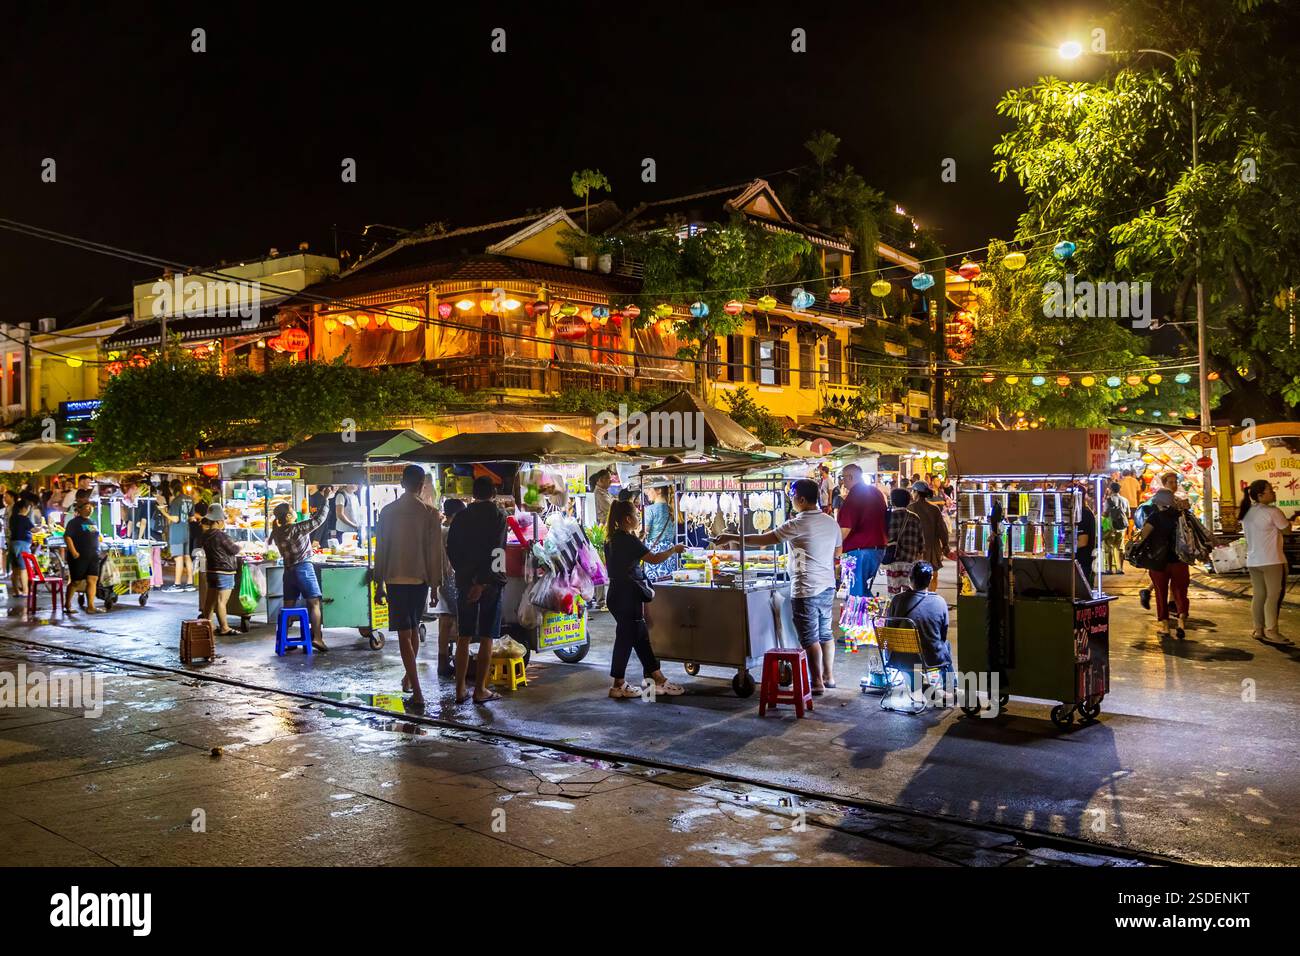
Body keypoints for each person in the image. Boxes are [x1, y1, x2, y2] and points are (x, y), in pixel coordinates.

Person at [717, 478, 841, 693]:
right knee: (825, 633)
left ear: (801, 499)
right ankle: (829, 677)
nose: (791, 501)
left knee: (809, 637)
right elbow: (837, 551)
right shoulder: (831, 522)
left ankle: (817, 682)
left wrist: (731, 536)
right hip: (827, 585)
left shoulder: (798, 523)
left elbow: (765, 538)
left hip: (806, 587)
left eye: (792, 497)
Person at [373, 464, 445, 708]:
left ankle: (417, 690)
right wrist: (435, 587)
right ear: (421, 485)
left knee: (407, 632)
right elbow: (435, 554)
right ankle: (410, 679)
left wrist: (378, 583)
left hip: (394, 579)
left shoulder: (387, 512)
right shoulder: (430, 514)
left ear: (402, 483)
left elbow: (380, 549)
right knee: (412, 630)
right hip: (420, 581)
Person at [604, 498, 687, 698]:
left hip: (616, 594)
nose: (638, 517)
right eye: (636, 515)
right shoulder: (628, 540)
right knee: (629, 638)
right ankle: (619, 684)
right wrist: (674, 550)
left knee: (637, 636)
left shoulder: (613, 539)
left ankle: (655, 679)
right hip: (627, 595)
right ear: (627, 518)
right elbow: (654, 559)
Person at [446, 475, 508, 705]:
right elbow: (497, 552)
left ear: (473, 493)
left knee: (464, 635)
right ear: (492, 494)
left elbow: (451, 549)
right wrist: (482, 583)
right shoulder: (498, 516)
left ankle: (460, 689)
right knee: (486, 637)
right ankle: (480, 689)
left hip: (464, 583)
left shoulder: (461, 516)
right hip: (491, 584)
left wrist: (467, 578)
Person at [1132, 478, 1192, 638]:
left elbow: (1143, 536)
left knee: (1161, 593)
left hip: (1159, 563)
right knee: (1180, 593)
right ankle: (1181, 623)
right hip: (1179, 561)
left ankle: (1165, 627)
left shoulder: (1154, 517)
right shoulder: (1182, 516)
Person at [270, 501, 330, 652]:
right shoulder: (296, 528)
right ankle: (317, 637)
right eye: (292, 510)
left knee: (288, 607)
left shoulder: (276, 531)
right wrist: (326, 499)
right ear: (289, 515)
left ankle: (285, 639)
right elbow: (319, 520)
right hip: (303, 568)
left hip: (288, 572)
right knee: (314, 603)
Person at [1240, 479, 1294, 641]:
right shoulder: (1272, 511)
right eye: (1270, 490)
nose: (1273, 492)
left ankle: (1258, 629)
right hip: (1272, 560)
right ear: (1260, 495)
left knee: (1259, 595)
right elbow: (1286, 531)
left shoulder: (1247, 513)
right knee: (1273, 596)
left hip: (1253, 561)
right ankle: (1272, 630)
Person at [886, 562, 953, 692]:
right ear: (930, 580)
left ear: (910, 578)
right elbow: (942, 635)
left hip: (898, 657)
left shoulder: (897, 600)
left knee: (909, 648)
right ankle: (950, 685)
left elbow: (889, 629)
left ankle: (917, 685)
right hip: (931, 657)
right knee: (946, 644)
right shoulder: (939, 602)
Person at [837, 463, 889, 597]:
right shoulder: (876, 493)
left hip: (859, 551)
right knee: (863, 590)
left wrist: (834, 548)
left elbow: (845, 528)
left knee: (857, 595)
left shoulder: (854, 496)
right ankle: (872, 616)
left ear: (850, 477)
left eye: (843, 477)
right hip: (878, 548)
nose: (842, 481)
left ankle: (872, 617)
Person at [435, 498, 466, 678]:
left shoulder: (438, 531)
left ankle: (442, 661)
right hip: (451, 579)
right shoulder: (450, 531)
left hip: (439, 579)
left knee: (444, 622)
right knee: (456, 622)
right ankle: (456, 660)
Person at [198, 505, 241, 636]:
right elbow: (234, 550)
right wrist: (240, 545)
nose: (224, 522)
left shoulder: (205, 535)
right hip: (224, 571)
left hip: (211, 570)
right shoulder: (221, 535)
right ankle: (224, 627)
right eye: (222, 520)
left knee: (210, 600)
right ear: (218, 521)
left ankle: (207, 623)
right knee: (221, 602)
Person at [909, 481, 950, 592]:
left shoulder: (910, 508)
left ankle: (916, 598)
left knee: (915, 575)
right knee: (933, 574)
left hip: (915, 549)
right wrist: (945, 545)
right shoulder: (934, 509)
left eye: (913, 491)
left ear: (916, 492)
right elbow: (942, 530)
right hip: (932, 548)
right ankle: (931, 596)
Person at [883, 487, 925, 596]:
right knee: (910, 592)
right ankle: (907, 611)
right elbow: (921, 541)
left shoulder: (888, 517)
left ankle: (895, 610)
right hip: (910, 559)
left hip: (893, 560)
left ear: (893, 501)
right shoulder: (915, 517)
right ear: (908, 501)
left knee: (893, 593)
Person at [64, 499, 102, 614]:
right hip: (79, 557)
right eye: (86, 507)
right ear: (79, 509)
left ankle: (91, 606)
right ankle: (68, 605)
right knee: (76, 582)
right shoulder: (74, 522)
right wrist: (74, 552)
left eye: (91, 507)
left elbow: (96, 536)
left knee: (92, 580)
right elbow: (67, 537)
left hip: (93, 556)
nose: (89, 509)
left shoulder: (93, 522)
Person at [642, 483, 678, 582]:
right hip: (670, 554)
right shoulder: (673, 509)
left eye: (649, 489)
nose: (647, 493)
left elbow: (644, 532)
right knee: (669, 586)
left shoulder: (650, 510)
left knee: (655, 588)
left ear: (659, 491)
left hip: (655, 555)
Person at [163, 479, 195, 591]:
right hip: (186, 531)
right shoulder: (190, 499)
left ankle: (177, 584)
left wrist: (164, 512)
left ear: (173, 489)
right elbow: (192, 518)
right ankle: (190, 584)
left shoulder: (176, 501)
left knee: (178, 559)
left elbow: (175, 519)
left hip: (177, 532)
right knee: (187, 557)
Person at [1101, 481, 1131, 575]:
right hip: (1121, 528)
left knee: (1108, 547)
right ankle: (1120, 569)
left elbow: (1105, 514)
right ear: (1119, 489)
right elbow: (1128, 514)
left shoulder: (1108, 500)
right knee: (1120, 548)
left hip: (1110, 527)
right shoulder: (1125, 500)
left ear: (1110, 489)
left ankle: (1109, 569)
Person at [9, 498, 35, 597]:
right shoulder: (25, 519)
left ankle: (16, 591)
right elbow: (34, 530)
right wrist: (42, 528)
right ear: (24, 508)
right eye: (28, 507)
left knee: (15, 569)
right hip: (23, 545)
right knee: (24, 569)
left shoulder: (13, 518)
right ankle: (25, 591)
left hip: (13, 544)